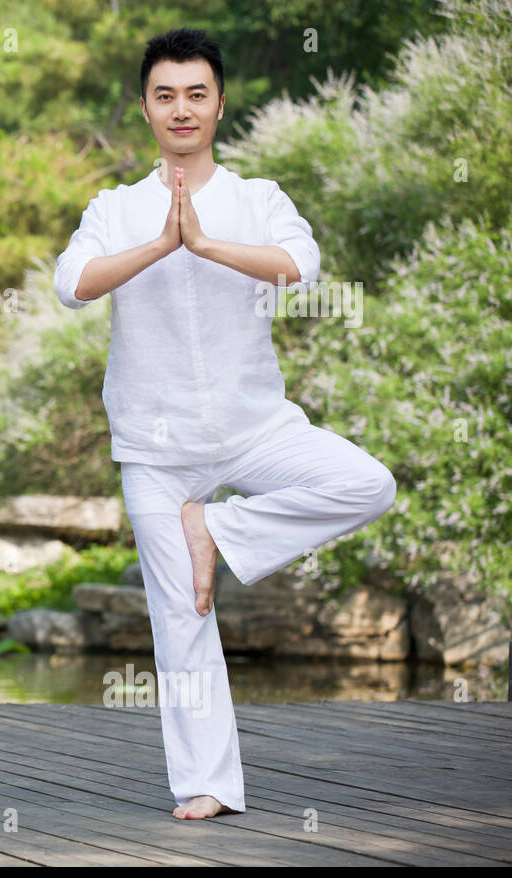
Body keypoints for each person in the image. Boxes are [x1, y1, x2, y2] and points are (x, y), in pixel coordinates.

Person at [53, 28, 396, 820]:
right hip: (156, 444)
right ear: (145, 108)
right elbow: (72, 284)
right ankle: (206, 785)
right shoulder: (115, 208)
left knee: (367, 484)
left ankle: (218, 531)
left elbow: (300, 266)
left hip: (254, 424)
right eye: (165, 94)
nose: (182, 108)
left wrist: (205, 244)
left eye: (195, 93)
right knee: (181, 619)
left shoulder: (258, 196)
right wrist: (160, 244)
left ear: (219, 103)